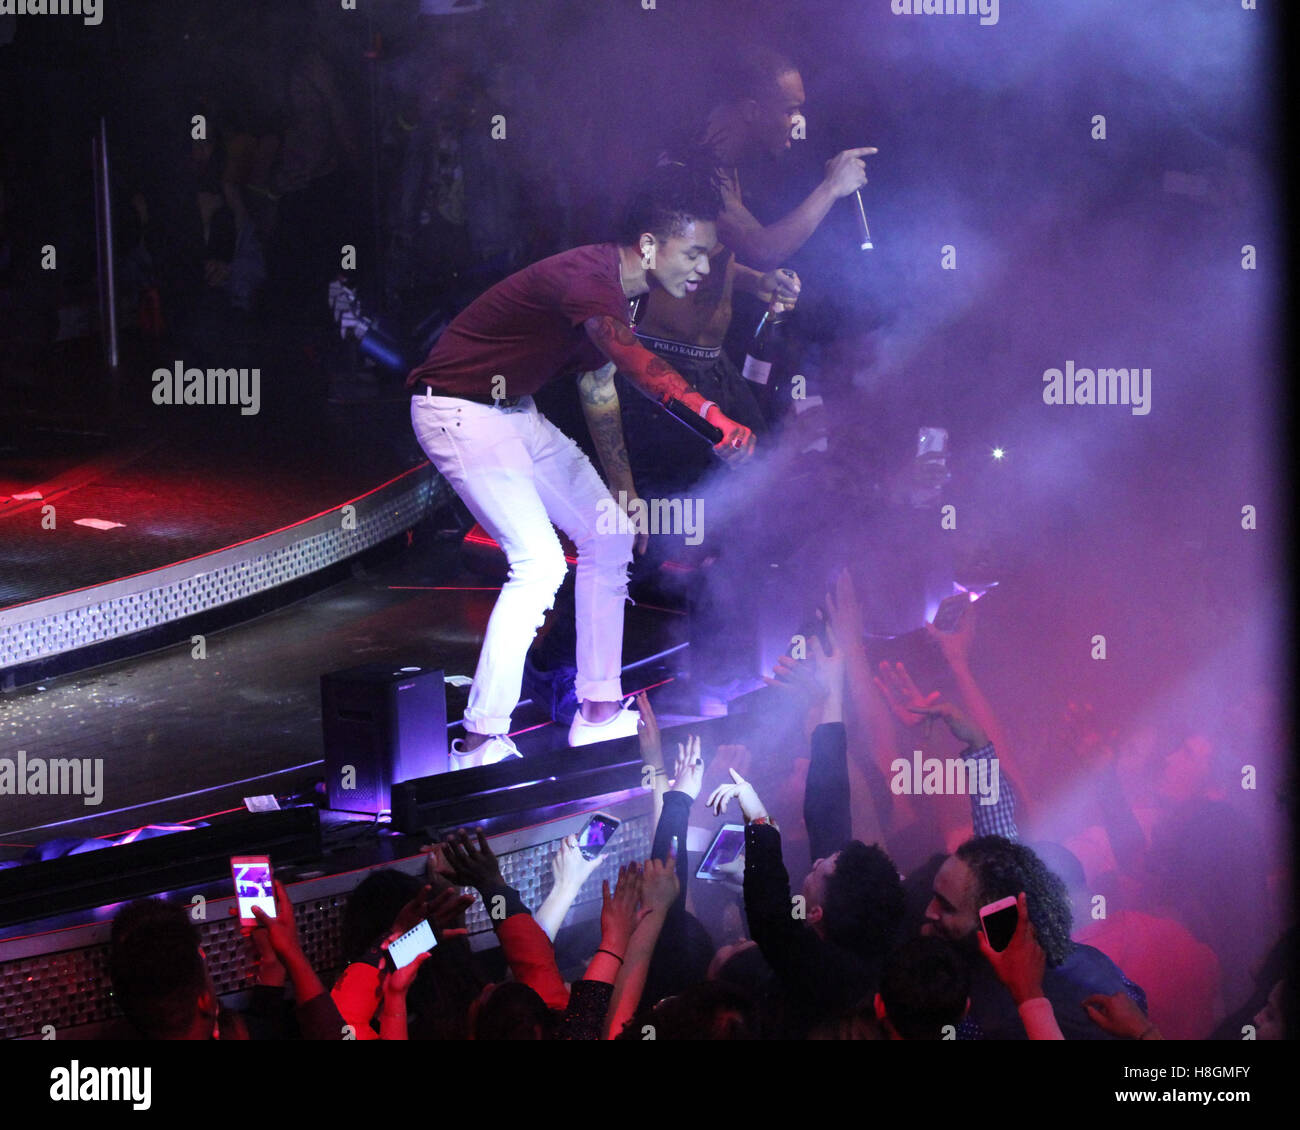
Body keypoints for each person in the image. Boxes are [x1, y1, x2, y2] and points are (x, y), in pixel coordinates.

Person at [405, 162, 756, 765]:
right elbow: (640, 369)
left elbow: (599, 389)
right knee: (538, 565)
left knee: (612, 534)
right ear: (649, 246)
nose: (704, 269)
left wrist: (626, 492)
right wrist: (712, 414)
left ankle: (597, 711)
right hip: (458, 412)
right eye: (694, 254)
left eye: (710, 257)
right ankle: (481, 737)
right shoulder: (590, 279)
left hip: (515, 412)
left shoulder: (628, 295)